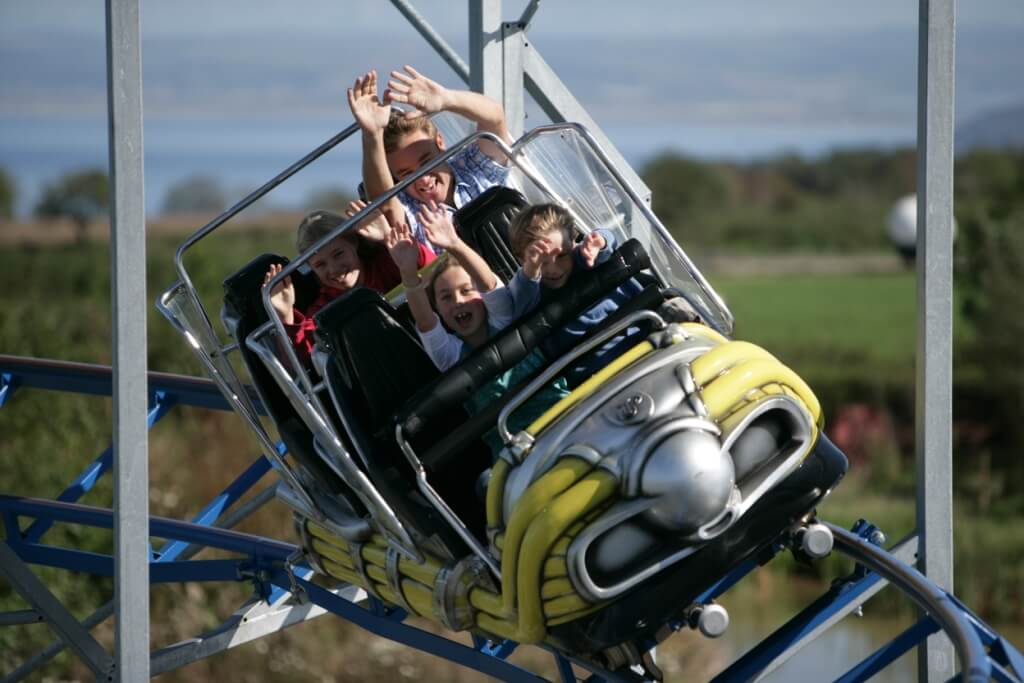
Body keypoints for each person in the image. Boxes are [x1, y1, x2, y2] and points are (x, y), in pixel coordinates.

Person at [385, 202, 568, 454]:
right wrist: (407, 272)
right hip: (512, 446)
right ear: (438, 309)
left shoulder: (505, 318)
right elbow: (425, 322)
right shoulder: (449, 356)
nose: (458, 301)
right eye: (446, 297)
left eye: (466, 291)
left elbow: (488, 283)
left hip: (560, 413)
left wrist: (454, 244)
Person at [348, 67, 513, 251]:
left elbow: (495, 118)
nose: (424, 180)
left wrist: (446, 99)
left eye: (426, 163)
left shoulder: (472, 165)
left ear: (440, 142)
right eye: (407, 174)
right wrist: (372, 135)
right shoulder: (408, 209)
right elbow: (384, 204)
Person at [263, 203, 435, 365]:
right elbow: (303, 363)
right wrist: (285, 316)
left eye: (338, 254)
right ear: (312, 269)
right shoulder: (322, 310)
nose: (334, 268)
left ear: (354, 242)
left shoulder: (388, 262)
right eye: (320, 265)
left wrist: (387, 237)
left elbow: (435, 275)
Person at [497, 203, 645, 387]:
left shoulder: (582, 258)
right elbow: (522, 296)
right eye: (542, 261)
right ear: (522, 260)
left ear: (573, 242)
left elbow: (605, 244)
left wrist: (599, 242)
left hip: (643, 332)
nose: (553, 268)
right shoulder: (529, 289)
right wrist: (531, 271)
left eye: (561, 255)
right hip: (597, 376)